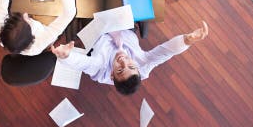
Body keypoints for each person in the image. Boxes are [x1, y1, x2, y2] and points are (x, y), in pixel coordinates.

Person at [51, 21, 209, 95]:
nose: (124, 60)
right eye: (131, 66)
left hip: (98, 31)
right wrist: (188, 40)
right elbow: (164, 52)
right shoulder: (143, 69)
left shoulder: (100, 68)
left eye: (120, 69)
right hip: (125, 26)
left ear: (112, 75)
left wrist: (66, 56)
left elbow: (83, 64)